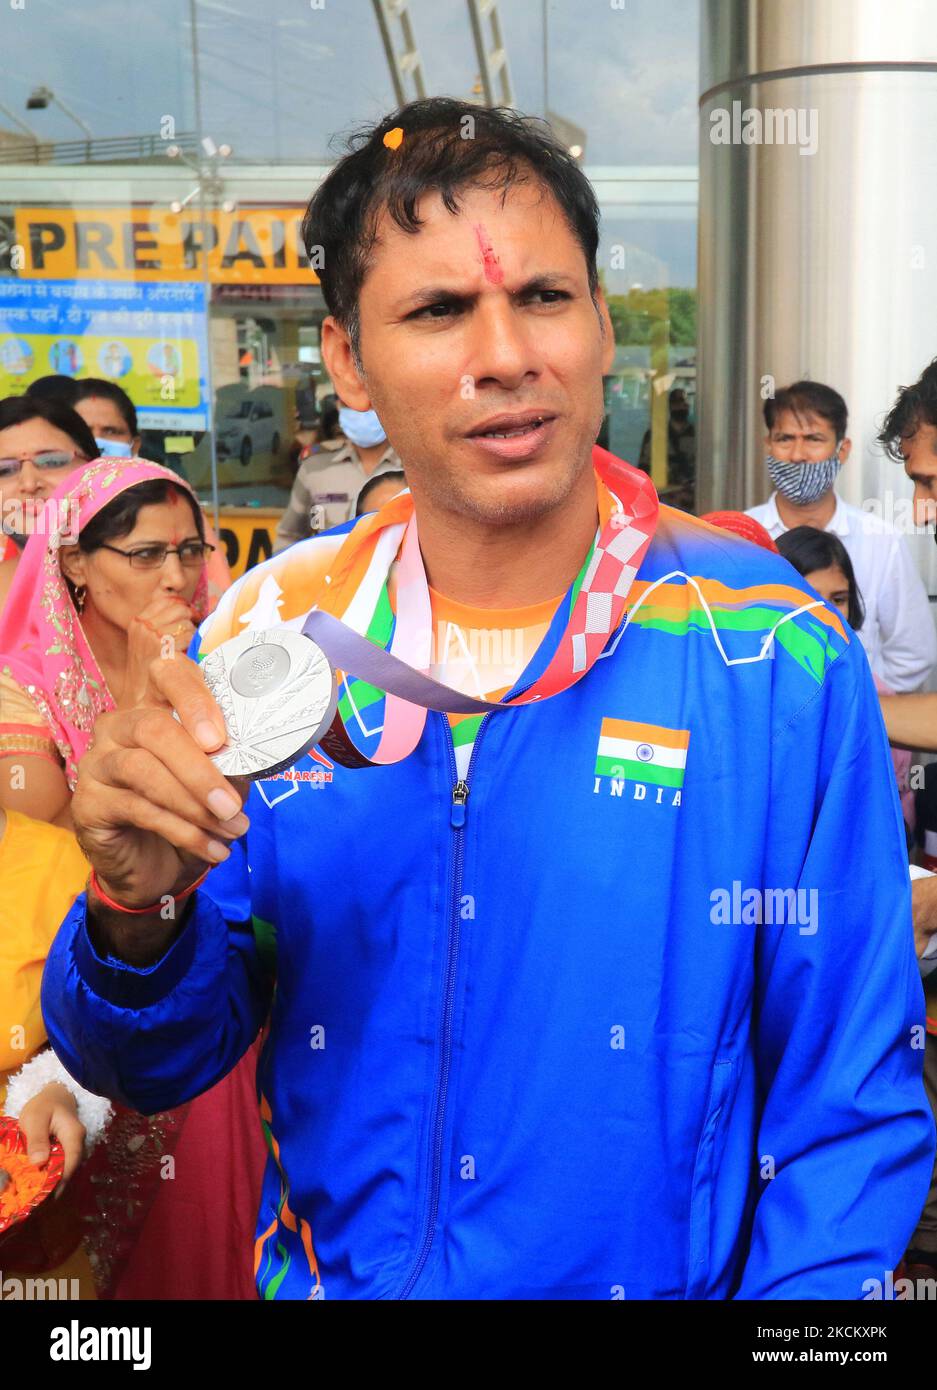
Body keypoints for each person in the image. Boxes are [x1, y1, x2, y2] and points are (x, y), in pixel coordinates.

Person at [43, 96, 933, 1301]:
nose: (507, 353)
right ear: (350, 358)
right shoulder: (268, 632)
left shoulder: (771, 650)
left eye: (546, 298)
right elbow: (155, 1058)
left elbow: (849, 1109)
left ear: (605, 323)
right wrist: (132, 923)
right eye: (439, 310)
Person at [0, 458, 264, 1298]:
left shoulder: (222, 674)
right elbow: (62, 851)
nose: (179, 576)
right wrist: (153, 688)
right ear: (75, 562)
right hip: (68, 1026)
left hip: (217, 1002)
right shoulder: (21, 695)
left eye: (192, 550)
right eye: (145, 554)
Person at [746, 380, 936, 692]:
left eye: (813, 439)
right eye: (785, 439)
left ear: (842, 450)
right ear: (768, 445)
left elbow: (913, 655)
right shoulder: (739, 540)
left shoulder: (881, 541)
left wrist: (854, 702)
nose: (797, 454)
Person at [776, 525, 913, 831]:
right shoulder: (750, 691)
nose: (825, 612)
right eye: (807, 596)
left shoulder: (879, 696)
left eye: (838, 599)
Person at [72, 378, 233, 609]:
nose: (99, 443)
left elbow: (217, 602)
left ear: (135, 445)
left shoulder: (170, 499)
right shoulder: (46, 512)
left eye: (111, 431)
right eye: (86, 433)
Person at [0, 396, 96, 608]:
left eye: (52, 462)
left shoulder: (143, 571)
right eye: (4, 470)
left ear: (94, 468)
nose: (29, 483)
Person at [273, 398, 401, 550]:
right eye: (351, 404)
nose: (363, 412)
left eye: (372, 403)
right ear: (339, 406)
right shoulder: (315, 468)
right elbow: (289, 536)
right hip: (329, 572)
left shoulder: (415, 468)